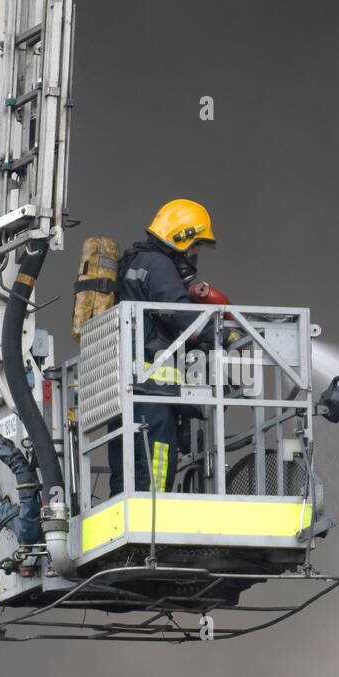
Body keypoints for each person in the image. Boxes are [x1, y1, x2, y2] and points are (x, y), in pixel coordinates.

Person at [107, 198, 217, 495]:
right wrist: (220, 331)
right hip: (151, 388)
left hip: (126, 389)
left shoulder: (133, 262)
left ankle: (130, 520)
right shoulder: (157, 264)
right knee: (156, 461)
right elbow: (177, 310)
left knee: (127, 468)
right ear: (180, 239)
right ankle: (149, 524)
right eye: (195, 245)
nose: (195, 254)